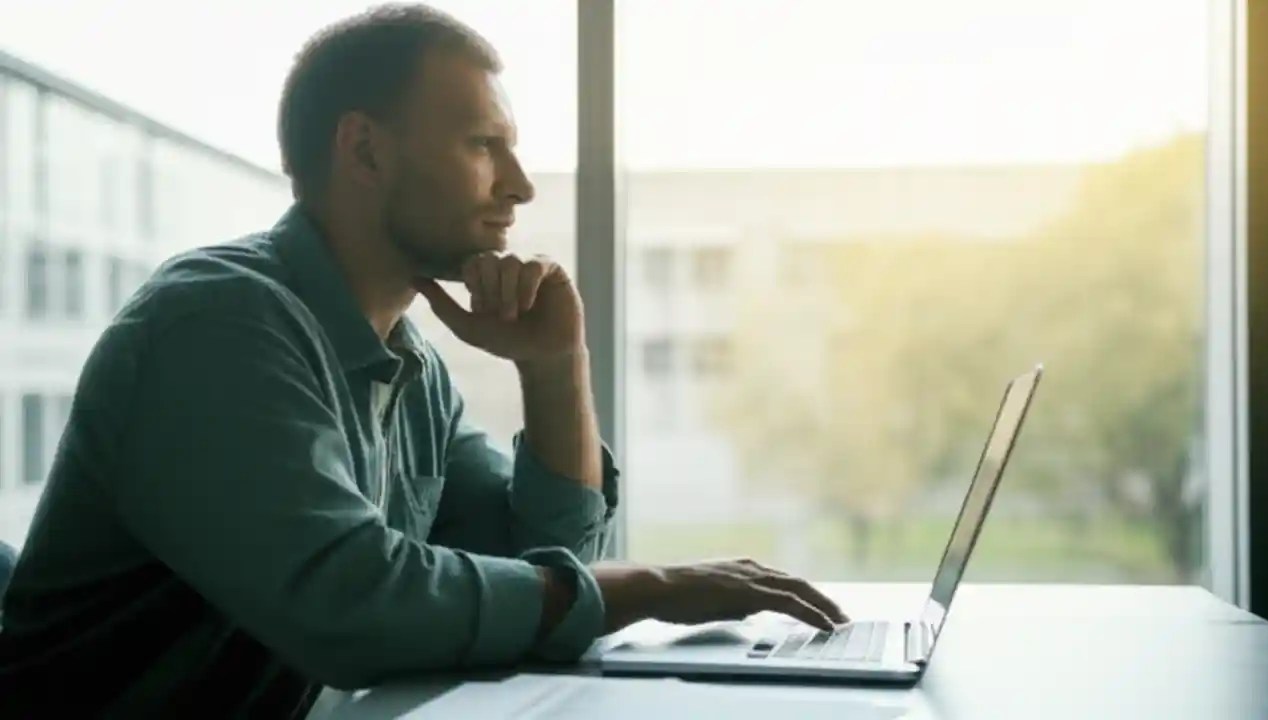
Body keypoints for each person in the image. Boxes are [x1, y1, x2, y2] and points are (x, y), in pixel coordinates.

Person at [0, 4, 846, 715]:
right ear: (364, 150)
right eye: (484, 145)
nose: (519, 185)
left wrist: (556, 372)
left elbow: (544, 562)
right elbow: (357, 607)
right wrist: (654, 585)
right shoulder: (216, 325)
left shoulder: (405, 359)